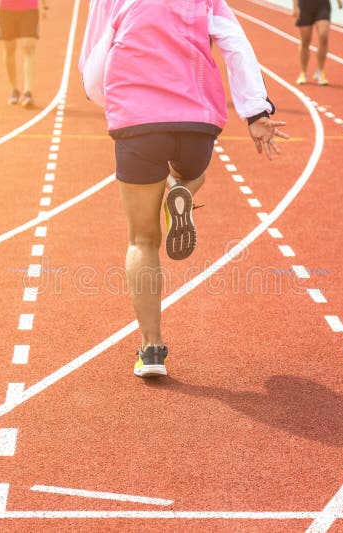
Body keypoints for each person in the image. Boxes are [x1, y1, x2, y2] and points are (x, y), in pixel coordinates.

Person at [79, 0, 288, 378]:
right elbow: (235, 43)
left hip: (138, 118)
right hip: (196, 123)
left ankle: (152, 349)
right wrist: (256, 112)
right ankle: (182, 187)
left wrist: (105, 100)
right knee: (192, 176)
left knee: (142, 240)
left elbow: (96, 54)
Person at [0, 0, 48, 107]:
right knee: (9, 48)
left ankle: (28, 92)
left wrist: (44, 6)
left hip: (29, 8)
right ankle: (14, 89)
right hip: (6, 9)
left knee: (28, 46)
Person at [293, 0, 343, 86]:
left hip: (322, 5)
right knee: (305, 41)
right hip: (304, 6)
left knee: (324, 37)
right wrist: (295, 6)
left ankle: (320, 71)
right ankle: (303, 72)